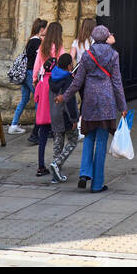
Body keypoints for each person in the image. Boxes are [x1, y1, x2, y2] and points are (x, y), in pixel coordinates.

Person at [60, 24, 128, 193]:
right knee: (102, 141)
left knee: (89, 135)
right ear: (106, 37)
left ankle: (84, 173)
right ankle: (97, 184)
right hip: (106, 100)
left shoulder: (87, 55)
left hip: (90, 99)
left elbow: (77, 81)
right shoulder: (113, 55)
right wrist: (123, 106)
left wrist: (65, 97)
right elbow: (117, 82)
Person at [32, 20, 64, 163]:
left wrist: (35, 80)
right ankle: (56, 163)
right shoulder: (59, 49)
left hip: (43, 84)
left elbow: (37, 66)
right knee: (57, 126)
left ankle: (40, 164)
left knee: (43, 127)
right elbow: (63, 67)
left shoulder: (43, 47)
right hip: (55, 87)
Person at [9, 18, 46, 134]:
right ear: (41, 29)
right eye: (46, 28)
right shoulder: (36, 42)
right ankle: (38, 127)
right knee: (38, 99)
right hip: (30, 73)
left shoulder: (32, 40)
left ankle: (14, 124)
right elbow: (35, 58)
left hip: (25, 73)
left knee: (24, 99)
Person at [47, 53, 80, 183]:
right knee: (73, 140)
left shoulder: (52, 77)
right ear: (68, 66)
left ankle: (55, 175)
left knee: (58, 143)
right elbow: (70, 101)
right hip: (65, 114)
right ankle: (57, 163)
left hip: (54, 114)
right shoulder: (68, 80)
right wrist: (74, 119)